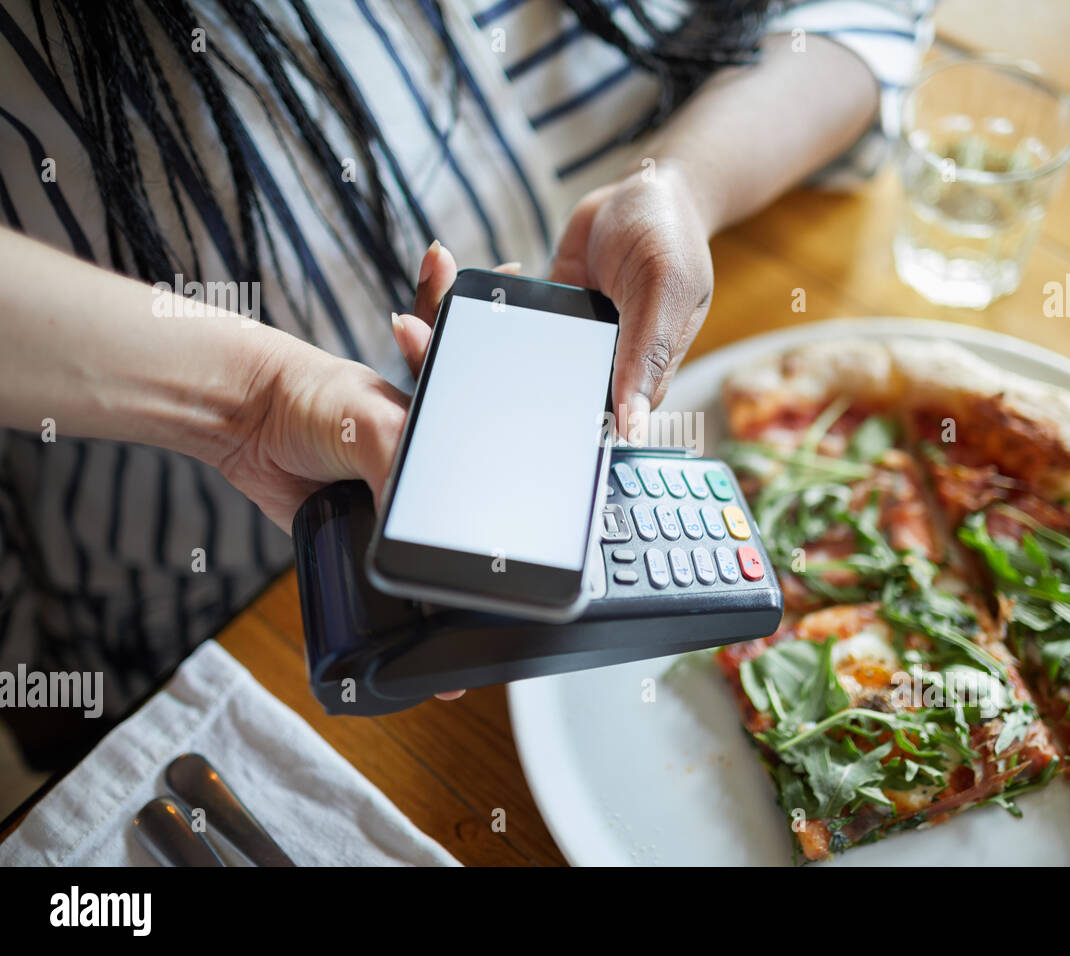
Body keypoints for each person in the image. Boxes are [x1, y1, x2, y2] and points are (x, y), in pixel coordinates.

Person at [0, 0, 934, 771]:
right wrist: (257, 403)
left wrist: (682, 183)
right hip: (204, 620)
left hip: (516, 459)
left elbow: (868, 15)